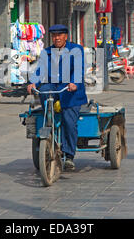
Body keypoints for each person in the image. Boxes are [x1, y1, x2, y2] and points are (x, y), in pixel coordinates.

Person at [27, 24, 88, 171]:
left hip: (70, 90)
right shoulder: (46, 52)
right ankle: (49, 131)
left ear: (66, 36)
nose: (57, 38)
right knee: (45, 90)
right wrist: (33, 82)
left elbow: (79, 69)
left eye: (60, 35)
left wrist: (74, 82)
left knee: (69, 120)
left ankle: (69, 154)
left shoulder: (76, 50)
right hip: (53, 87)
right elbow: (40, 70)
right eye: (54, 35)